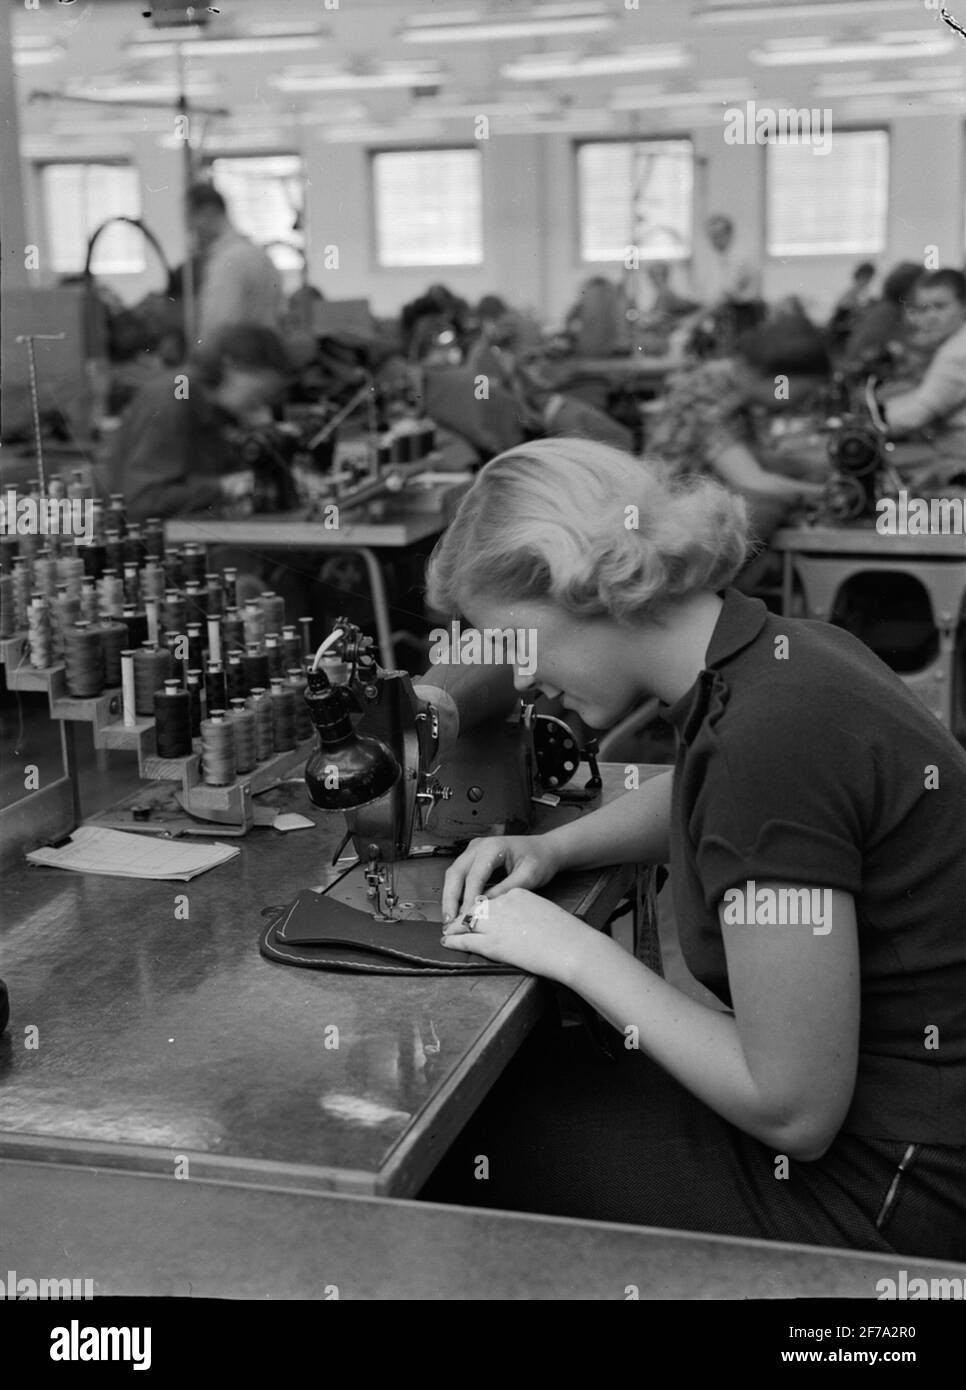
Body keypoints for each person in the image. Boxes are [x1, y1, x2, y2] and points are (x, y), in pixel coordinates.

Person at [419, 437, 966, 1262]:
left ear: (576, 582)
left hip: (892, 1191)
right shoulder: (789, 655)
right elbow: (710, 792)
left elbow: (794, 1113)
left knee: (463, 1148)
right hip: (919, 1119)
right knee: (541, 1079)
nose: (518, 679)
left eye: (512, 640)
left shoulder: (767, 744)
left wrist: (573, 951)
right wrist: (557, 847)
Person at [647, 317, 829, 540]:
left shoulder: (731, 388)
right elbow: (754, 482)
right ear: (776, 378)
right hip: (673, 522)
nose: (800, 404)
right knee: (766, 508)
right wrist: (830, 493)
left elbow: (747, 458)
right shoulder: (707, 396)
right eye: (802, 395)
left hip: (691, 507)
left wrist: (812, 466)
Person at [109, 321, 291, 520]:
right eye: (258, 395)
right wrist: (223, 486)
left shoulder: (215, 407)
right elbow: (144, 499)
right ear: (230, 366)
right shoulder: (172, 399)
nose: (260, 407)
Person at [879, 269, 966, 477]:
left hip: (955, 454)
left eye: (940, 306)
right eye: (924, 309)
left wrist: (872, 421)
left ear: (964, 306)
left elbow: (918, 413)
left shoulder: (957, 351)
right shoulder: (953, 343)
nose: (930, 317)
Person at [185, 182, 284, 343]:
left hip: (237, 362)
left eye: (191, 219)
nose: (191, 230)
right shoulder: (259, 255)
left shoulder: (228, 262)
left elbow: (217, 330)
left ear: (208, 213)